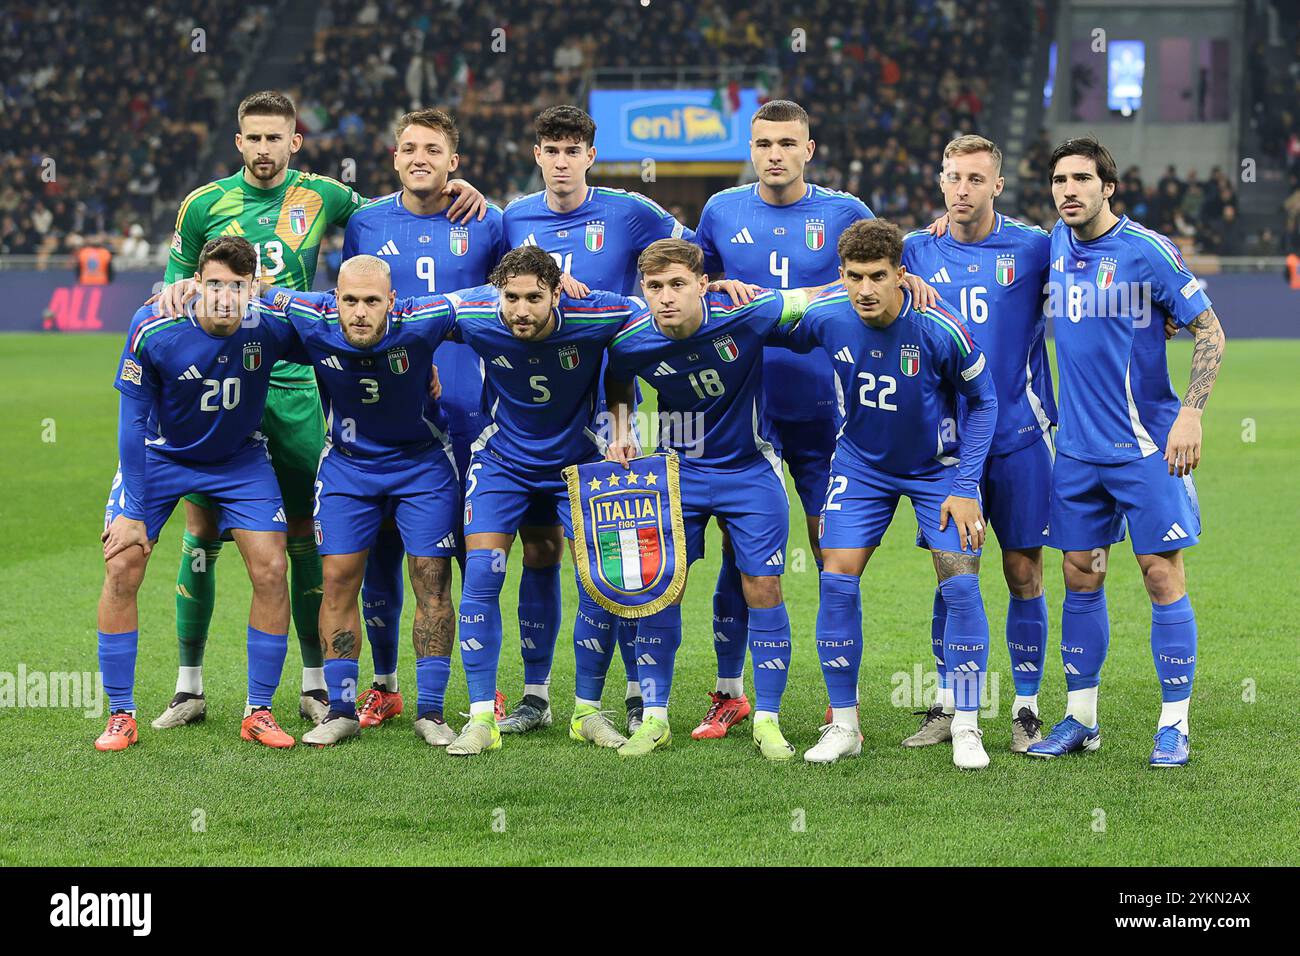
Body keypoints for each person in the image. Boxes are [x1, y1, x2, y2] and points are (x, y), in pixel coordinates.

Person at [149, 90, 486, 731]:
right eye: (254, 137)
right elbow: (174, 290)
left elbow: (401, 212)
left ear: (295, 141)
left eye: (276, 138)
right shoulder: (203, 205)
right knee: (202, 532)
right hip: (220, 380)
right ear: (238, 141)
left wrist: (450, 184)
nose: (264, 149)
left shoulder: (326, 196)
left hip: (299, 379)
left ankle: (315, 688)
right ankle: (188, 687)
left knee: (307, 536)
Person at [1028, 137, 1225, 767]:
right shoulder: (1054, 243)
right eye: (1059, 180)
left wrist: (1191, 412)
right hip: (1077, 453)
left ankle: (1175, 726)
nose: (1069, 190)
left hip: (1145, 447)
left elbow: (1210, 329)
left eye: (1082, 179)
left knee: (1160, 574)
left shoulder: (1146, 251)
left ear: (1107, 188)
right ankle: (1081, 719)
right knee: (1080, 576)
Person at [781, 219, 1000, 769]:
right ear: (841, 276)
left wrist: (968, 485)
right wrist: (720, 293)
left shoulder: (937, 325)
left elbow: (985, 401)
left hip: (938, 471)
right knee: (835, 582)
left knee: (961, 586)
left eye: (878, 276)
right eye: (854, 277)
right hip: (861, 467)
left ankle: (967, 725)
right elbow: (765, 319)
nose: (866, 290)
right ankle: (845, 726)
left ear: (901, 275)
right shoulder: (828, 315)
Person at [602, 238, 825, 758]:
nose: (666, 297)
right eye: (654, 287)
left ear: (704, 285)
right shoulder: (630, 341)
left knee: (763, 587)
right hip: (678, 473)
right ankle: (654, 719)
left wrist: (899, 279)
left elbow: (814, 295)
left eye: (678, 285)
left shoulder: (746, 312)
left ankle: (766, 720)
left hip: (750, 472)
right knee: (660, 588)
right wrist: (620, 430)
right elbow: (617, 381)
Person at [95, 237, 303, 751]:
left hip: (239, 460)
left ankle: (258, 710)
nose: (225, 298)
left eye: (237, 287)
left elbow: (335, 330)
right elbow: (131, 426)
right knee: (122, 562)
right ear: (197, 283)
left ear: (253, 288)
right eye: (214, 285)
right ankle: (121, 714)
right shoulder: (155, 326)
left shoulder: (270, 324)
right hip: (161, 456)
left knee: (273, 569)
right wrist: (135, 512)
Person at [901, 134, 1056, 753]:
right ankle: (947, 701)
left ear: (997, 185)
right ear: (941, 182)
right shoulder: (916, 248)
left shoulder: (1035, 247)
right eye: (953, 178)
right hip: (944, 446)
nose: (962, 190)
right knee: (953, 575)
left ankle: (1025, 708)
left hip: (1017, 437)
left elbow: (1096, 269)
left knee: (1023, 572)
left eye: (975, 179)